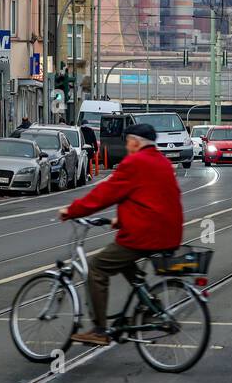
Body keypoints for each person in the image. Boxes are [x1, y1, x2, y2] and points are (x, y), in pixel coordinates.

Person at [58, 123, 183, 346]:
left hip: (145, 235)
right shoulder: (163, 162)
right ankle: (149, 305)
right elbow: (152, 199)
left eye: (127, 142)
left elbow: (105, 194)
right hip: (169, 234)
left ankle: (99, 330)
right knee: (124, 260)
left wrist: (72, 210)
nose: (126, 147)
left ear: (135, 142)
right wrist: (122, 220)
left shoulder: (134, 162)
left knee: (97, 266)